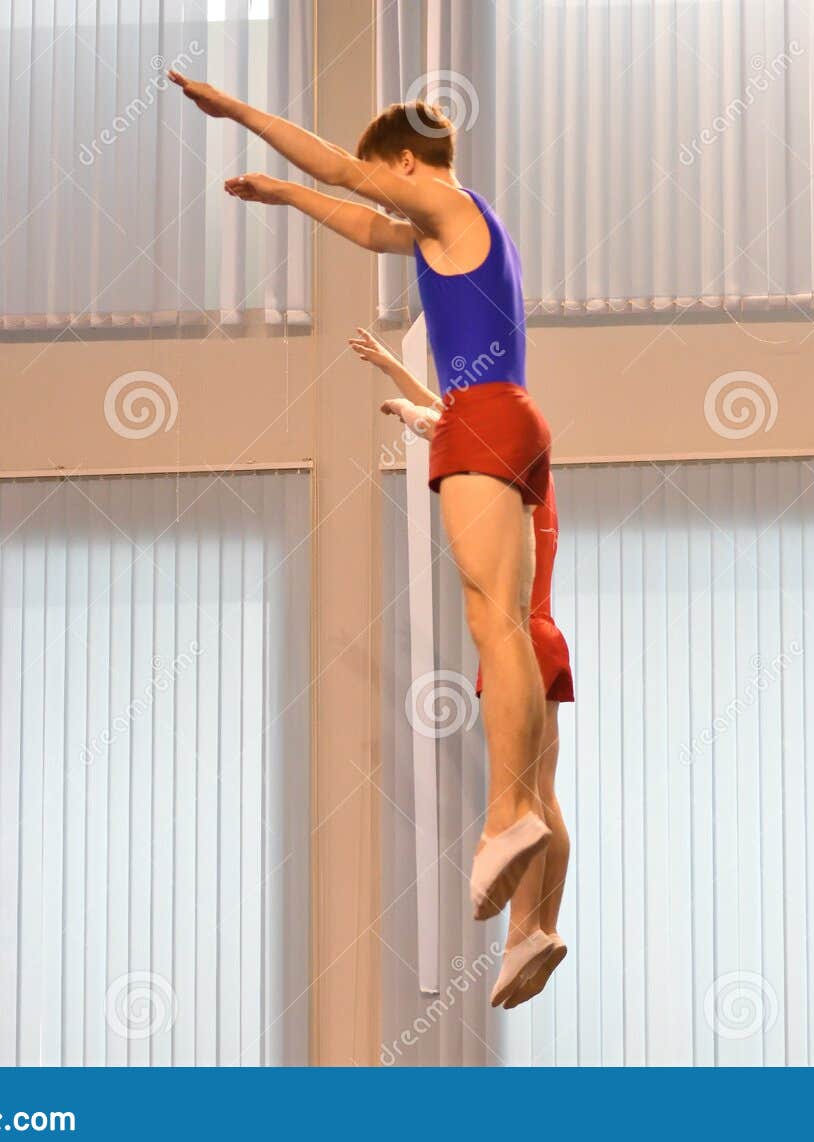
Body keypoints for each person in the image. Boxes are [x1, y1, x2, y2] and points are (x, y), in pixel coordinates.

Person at [168, 73, 563, 985]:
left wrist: (237, 113)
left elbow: (348, 175)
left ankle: (509, 812)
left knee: (496, 624)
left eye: (384, 170)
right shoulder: (446, 233)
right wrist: (280, 197)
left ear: (406, 163)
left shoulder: (443, 197)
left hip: (486, 415)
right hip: (501, 416)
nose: (380, 188)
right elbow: (353, 217)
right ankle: (528, 877)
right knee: (497, 621)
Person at [350, 328, 571, 1007]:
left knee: (528, 797)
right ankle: (537, 927)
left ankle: (530, 931)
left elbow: (450, 428)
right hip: (542, 633)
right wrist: (399, 377)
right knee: (543, 791)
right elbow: (455, 427)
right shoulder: (520, 468)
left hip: (522, 643)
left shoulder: (500, 467)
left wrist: (408, 400)